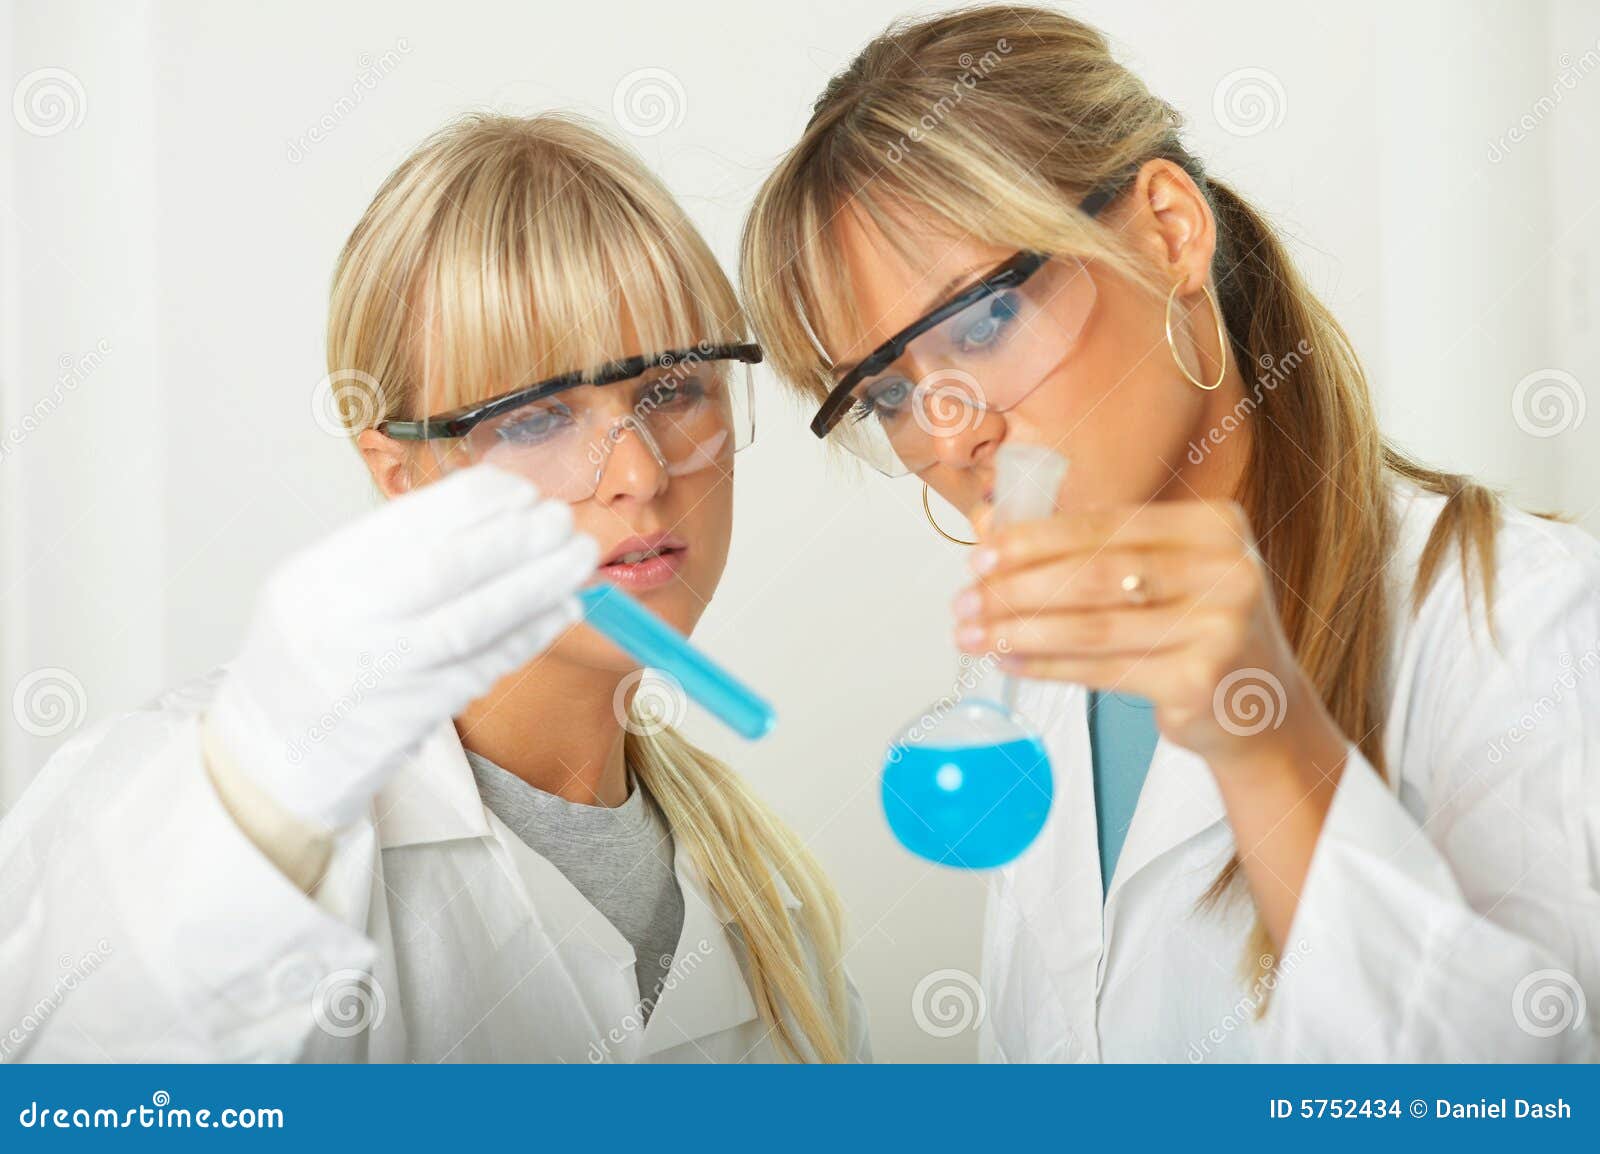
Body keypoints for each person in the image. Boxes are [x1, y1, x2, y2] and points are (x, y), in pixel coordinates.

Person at [739, 5, 1599, 1061]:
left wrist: (1270, 744)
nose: (952, 431)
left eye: (984, 319)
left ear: (1167, 230)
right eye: (887, 395)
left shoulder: (1521, 617)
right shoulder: (1040, 682)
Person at [0, 112, 868, 1063]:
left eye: (671, 390)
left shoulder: (773, 904)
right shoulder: (198, 804)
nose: (640, 476)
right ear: (399, 472)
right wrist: (258, 807)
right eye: (537, 417)